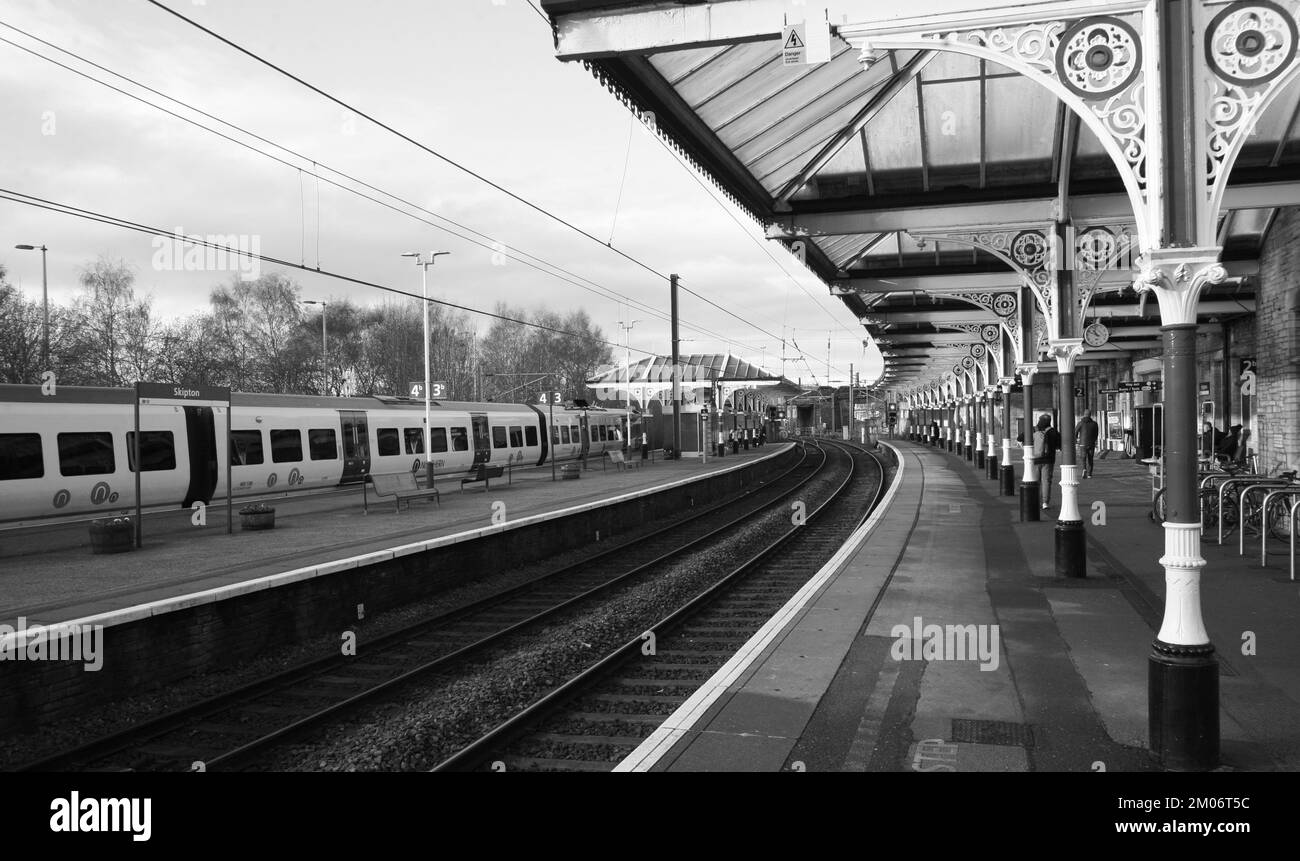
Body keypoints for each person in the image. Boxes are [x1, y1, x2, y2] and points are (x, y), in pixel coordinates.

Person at [1032, 414, 1061, 510]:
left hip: (1036, 459)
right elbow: (1059, 445)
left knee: (1035, 481)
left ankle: (1034, 500)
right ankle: (1045, 502)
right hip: (1048, 460)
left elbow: (1020, 438)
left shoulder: (1034, 430)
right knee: (1046, 482)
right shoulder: (1053, 432)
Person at [1075, 410, 1100, 478]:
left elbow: (1075, 432)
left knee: (1083, 458)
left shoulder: (1080, 423)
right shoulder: (1094, 424)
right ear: (1090, 415)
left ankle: (1084, 469)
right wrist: (1094, 440)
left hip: (1082, 444)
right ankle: (1089, 474)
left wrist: (1076, 440)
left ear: (1084, 414)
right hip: (1091, 443)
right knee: (1090, 459)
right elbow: (1096, 434)